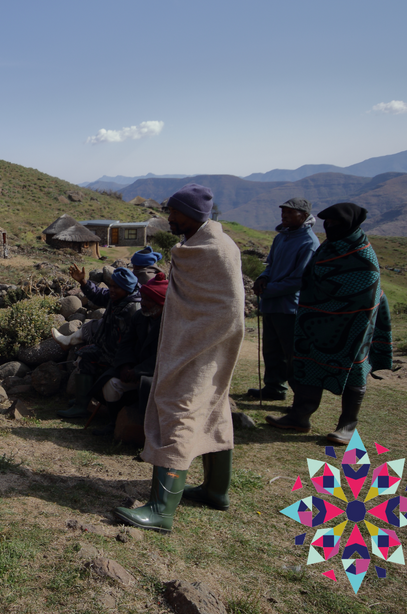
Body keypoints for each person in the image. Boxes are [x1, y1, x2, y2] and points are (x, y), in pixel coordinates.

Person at [115, 184, 244, 532]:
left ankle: (160, 509)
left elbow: (227, 309)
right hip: (203, 346)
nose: (169, 217)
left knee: (179, 409)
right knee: (213, 408)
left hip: (200, 348)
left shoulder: (212, 250)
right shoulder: (205, 245)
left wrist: (193, 344)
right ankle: (215, 491)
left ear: (194, 213)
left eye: (175, 211)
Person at [265, 203, 392, 445]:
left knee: (354, 367)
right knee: (308, 361)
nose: (331, 227)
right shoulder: (329, 247)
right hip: (317, 318)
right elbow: (312, 276)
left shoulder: (362, 252)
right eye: (328, 223)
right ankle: (299, 416)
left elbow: (365, 288)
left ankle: (347, 426)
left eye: (336, 224)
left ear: (351, 225)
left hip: (353, 323)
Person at [247, 198, 320, 401]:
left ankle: (301, 400)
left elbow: (298, 280)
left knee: (292, 355)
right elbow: (270, 264)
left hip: (290, 307)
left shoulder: (309, 242)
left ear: (304, 216)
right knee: (271, 351)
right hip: (272, 304)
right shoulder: (281, 237)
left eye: (290, 212)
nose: (284, 216)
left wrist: (268, 289)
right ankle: (274, 388)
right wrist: (263, 277)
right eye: (283, 212)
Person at [56, 265, 141, 419]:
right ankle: (83, 399)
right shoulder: (117, 298)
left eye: (117, 287)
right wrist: (83, 282)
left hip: (121, 358)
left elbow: (126, 343)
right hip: (109, 349)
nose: (112, 290)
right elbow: (99, 294)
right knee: (84, 355)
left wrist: (122, 362)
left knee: (86, 356)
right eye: (111, 286)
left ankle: (82, 405)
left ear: (127, 289)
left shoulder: (131, 310)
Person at [91, 272, 169, 436]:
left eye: (148, 300)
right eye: (143, 299)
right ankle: (115, 424)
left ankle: (150, 435)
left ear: (161, 303)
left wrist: (138, 371)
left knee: (149, 389)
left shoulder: (171, 324)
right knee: (110, 383)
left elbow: (166, 356)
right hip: (134, 369)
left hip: (160, 374)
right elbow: (126, 345)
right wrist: (125, 366)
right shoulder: (140, 317)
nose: (143, 303)